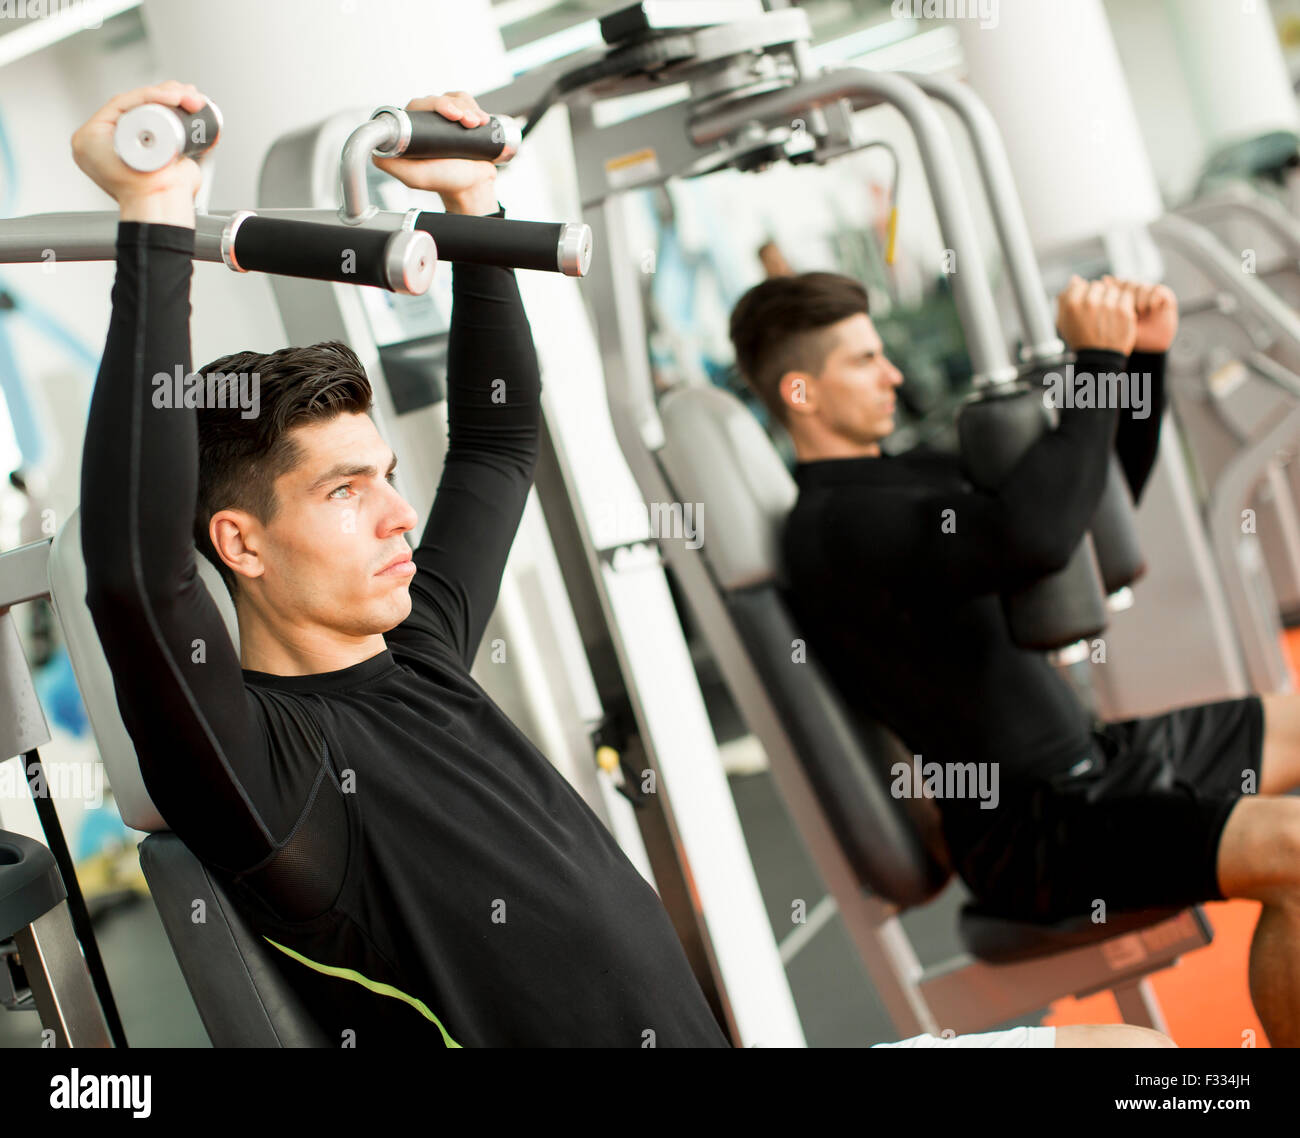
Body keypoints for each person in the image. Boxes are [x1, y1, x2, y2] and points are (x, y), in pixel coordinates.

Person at [72, 79, 1170, 1050]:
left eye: (388, 475)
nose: (399, 514)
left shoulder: (420, 653)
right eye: (345, 491)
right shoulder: (262, 772)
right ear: (240, 542)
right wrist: (153, 221)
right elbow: (135, 577)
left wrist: (475, 212)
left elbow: (499, 442)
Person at [730, 267, 1300, 1047]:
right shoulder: (834, 527)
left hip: (1099, 767)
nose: (894, 372)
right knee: (1296, 856)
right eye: (864, 360)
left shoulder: (901, 478)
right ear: (801, 392)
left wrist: (1141, 362)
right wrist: (1093, 366)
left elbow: (1085, 509)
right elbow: (1031, 537)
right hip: (1038, 833)